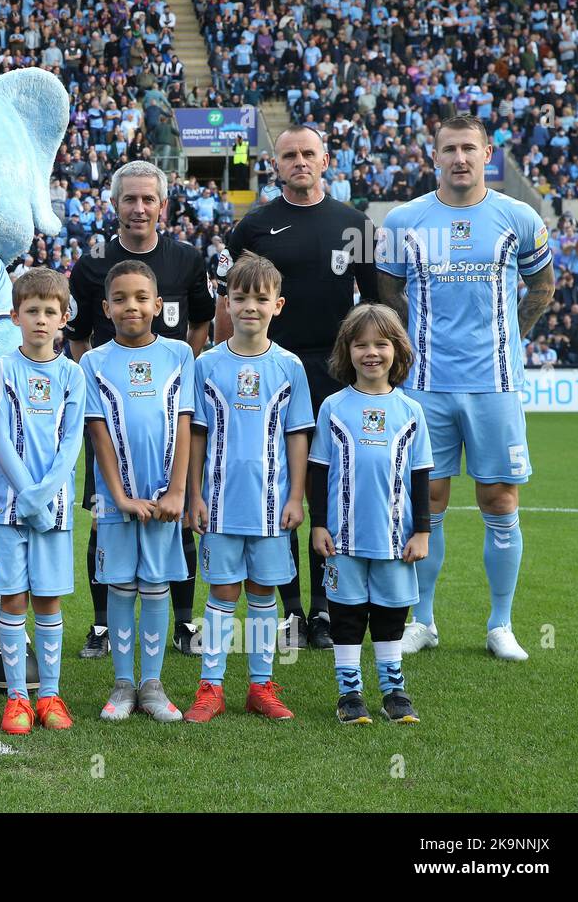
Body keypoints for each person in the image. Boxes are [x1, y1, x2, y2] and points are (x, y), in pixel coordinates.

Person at [376, 114, 555, 662]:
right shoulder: (405, 220)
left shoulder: (518, 217)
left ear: (487, 154)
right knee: (425, 502)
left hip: (494, 386)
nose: (459, 158)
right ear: (434, 156)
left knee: (499, 498)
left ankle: (500, 624)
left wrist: (512, 341)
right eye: (449, 148)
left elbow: (542, 287)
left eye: (469, 148)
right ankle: (422, 620)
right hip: (426, 386)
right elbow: (388, 295)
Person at [213, 124, 378, 651]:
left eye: (308, 153)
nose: (300, 161)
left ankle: (325, 609)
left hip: (335, 371)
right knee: (276, 487)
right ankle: (289, 610)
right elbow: (229, 300)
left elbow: (376, 306)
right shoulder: (253, 227)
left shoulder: (356, 224)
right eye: (289, 155)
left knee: (326, 489)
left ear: (325, 159)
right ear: (275, 163)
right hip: (269, 373)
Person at [67, 160, 214, 661]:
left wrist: (181, 377)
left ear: (163, 205)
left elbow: (199, 325)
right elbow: (77, 337)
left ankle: (184, 621)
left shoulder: (188, 259)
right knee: (104, 509)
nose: (139, 208)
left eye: (148, 199)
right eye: (129, 199)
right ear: (114, 204)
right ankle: (103, 625)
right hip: (112, 411)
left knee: (178, 516)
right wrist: (96, 389)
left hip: (166, 404)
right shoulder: (90, 266)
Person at [185, 253, 313, 723]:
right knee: (221, 594)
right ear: (227, 302)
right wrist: (194, 493)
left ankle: (261, 685)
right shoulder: (207, 364)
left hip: (272, 506)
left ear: (277, 305)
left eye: (261, 299)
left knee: (263, 594)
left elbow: (297, 434)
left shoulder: (290, 366)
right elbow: (196, 431)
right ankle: (211, 687)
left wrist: (296, 495)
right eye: (240, 297)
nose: (250, 307)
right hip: (219, 504)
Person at [81, 260, 195, 722]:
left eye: (142, 298)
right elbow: (98, 432)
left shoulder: (180, 354)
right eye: (122, 299)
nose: (133, 306)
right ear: (107, 307)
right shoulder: (92, 361)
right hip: (116, 501)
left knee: (155, 585)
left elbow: (185, 423)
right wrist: (119, 496)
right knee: (121, 587)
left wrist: (177, 492)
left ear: (158, 305)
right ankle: (123, 685)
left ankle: (153, 685)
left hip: (163, 499)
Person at [309, 303, 432, 725]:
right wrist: (319, 524)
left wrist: (423, 532)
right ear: (348, 351)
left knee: (390, 612)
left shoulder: (411, 411)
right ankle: (349, 694)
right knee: (345, 616)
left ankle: (394, 690)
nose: (371, 353)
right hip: (343, 539)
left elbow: (420, 476)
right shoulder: (333, 407)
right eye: (360, 345)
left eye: (381, 343)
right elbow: (319, 470)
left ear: (397, 349)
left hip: (395, 539)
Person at [0, 269, 86, 734]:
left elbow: (71, 444)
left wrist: (42, 499)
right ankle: (16, 699)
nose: (41, 320)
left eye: (50, 312)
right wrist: (28, 497)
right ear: (15, 316)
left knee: (47, 600)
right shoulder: (0, 368)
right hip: (6, 509)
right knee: (12, 598)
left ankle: (49, 694)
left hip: (53, 513)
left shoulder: (72, 375)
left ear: (64, 318)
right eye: (32, 311)